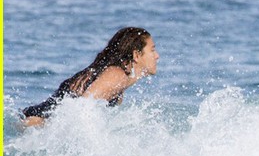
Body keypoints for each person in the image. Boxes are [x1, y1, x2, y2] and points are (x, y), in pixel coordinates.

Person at [21, 27, 159, 126]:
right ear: (136, 55)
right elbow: (81, 109)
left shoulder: (120, 84)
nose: (157, 56)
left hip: (39, 122)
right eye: (152, 50)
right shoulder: (117, 75)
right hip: (33, 122)